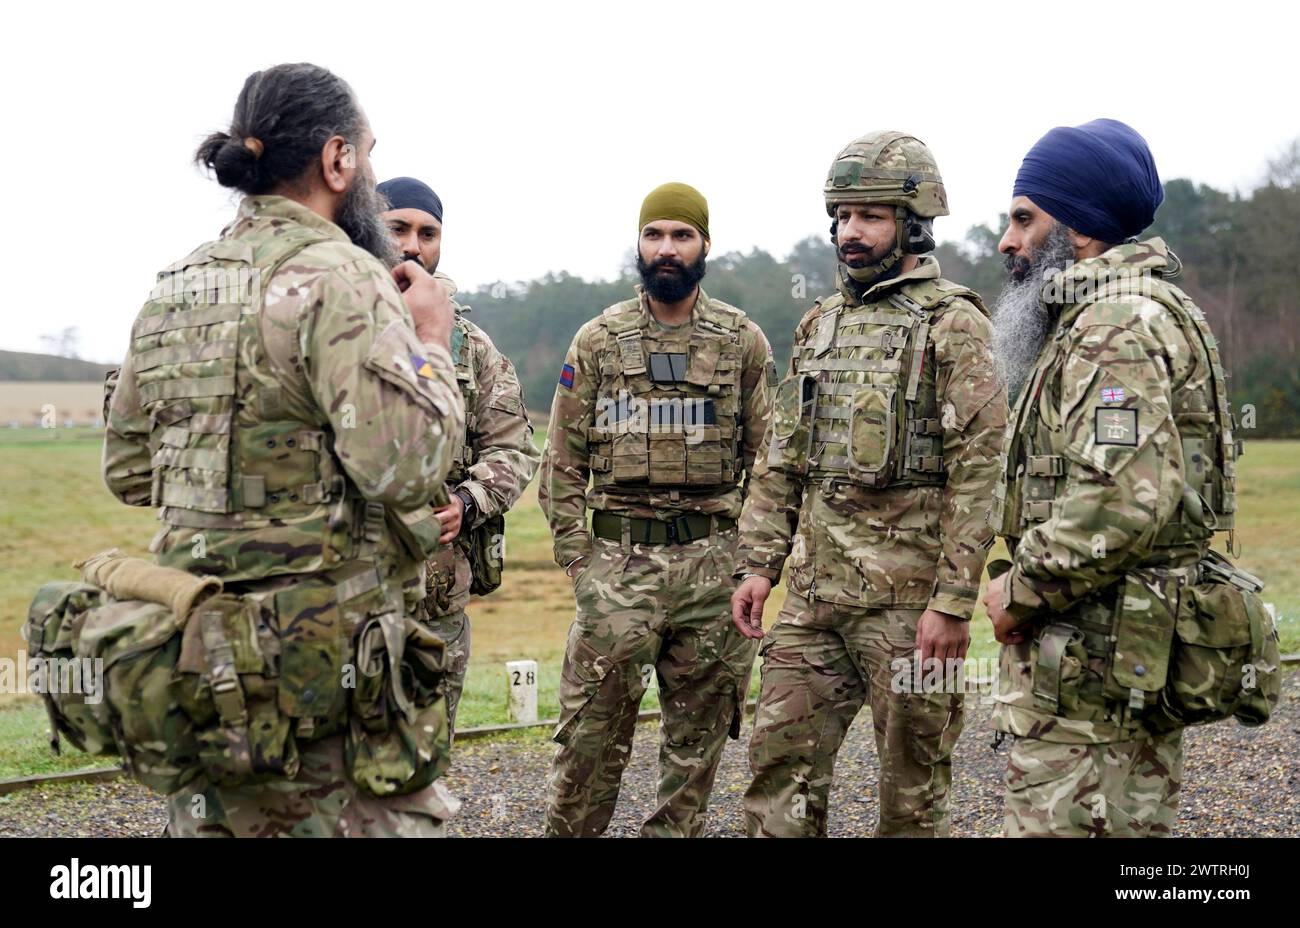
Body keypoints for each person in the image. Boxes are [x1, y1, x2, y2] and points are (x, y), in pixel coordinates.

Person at [102, 63, 464, 837]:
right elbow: (406, 465)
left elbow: (129, 472)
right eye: (365, 155)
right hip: (326, 680)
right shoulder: (343, 276)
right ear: (338, 161)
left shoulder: (175, 285)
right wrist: (433, 343)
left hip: (205, 666)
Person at [732, 132, 1007, 837]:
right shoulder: (818, 324)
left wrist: (952, 600)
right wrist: (759, 565)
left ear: (913, 224)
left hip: (910, 614)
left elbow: (981, 470)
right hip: (814, 603)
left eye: (871, 217)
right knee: (777, 780)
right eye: (842, 216)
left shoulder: (956, 323)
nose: (850, 233)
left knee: (911, 797)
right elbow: (781, 458)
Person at [982, 118, 1250, 837]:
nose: (1006, 241)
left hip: (1089, 680)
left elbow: (1124, 500)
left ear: (1082, 228)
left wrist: (1020, 588)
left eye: (1023, 219)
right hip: (1119, 661)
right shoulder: (1128, 312)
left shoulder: (1112, 326)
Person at [538, 182, 776, 837]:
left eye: (681, 235)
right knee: (586, 749)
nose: (666, 249)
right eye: (654, 235)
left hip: (712, 575)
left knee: (693, 761)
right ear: (639, 244)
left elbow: (771, 465)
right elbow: (560, 462)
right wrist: (580, 565)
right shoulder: (599, 341)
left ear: (704, 245)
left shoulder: (741, 343)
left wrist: (749, 563)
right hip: (616, 570)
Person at [378, 175, 540, 732]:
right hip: (338, 602)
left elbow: (514, 449)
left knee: (421, 763)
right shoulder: (327, 326)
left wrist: (468, 502)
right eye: (397, 227)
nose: (412, 246)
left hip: (435, 600)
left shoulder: (470, 347)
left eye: (428, 232)